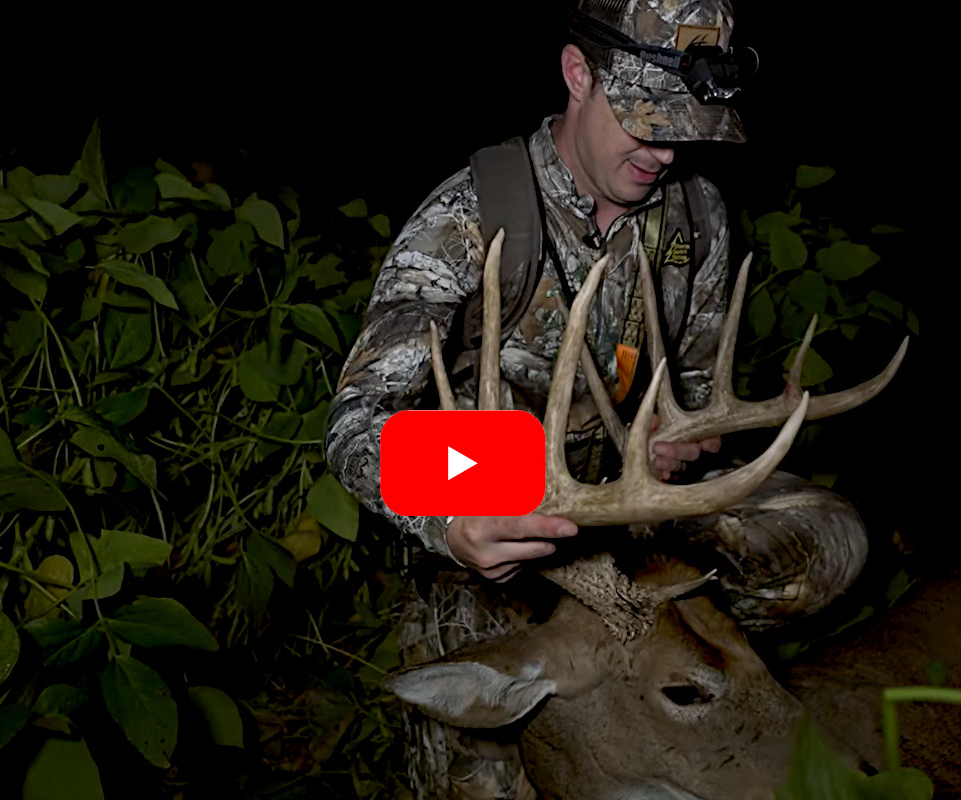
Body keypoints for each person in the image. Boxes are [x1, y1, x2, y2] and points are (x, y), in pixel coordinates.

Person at [325, 1, 868, 796]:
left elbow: (688, 380)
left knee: (828, 543)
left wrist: (681, 435)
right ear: (578, 75)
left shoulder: (695, 214)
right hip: (502, 508)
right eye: (646, 119)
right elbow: (354, 426)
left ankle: (662, 670)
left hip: (639, 510)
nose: (664, 149)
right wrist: (449, 519)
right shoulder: (468, 220)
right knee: (475, 779)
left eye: (686, 127)